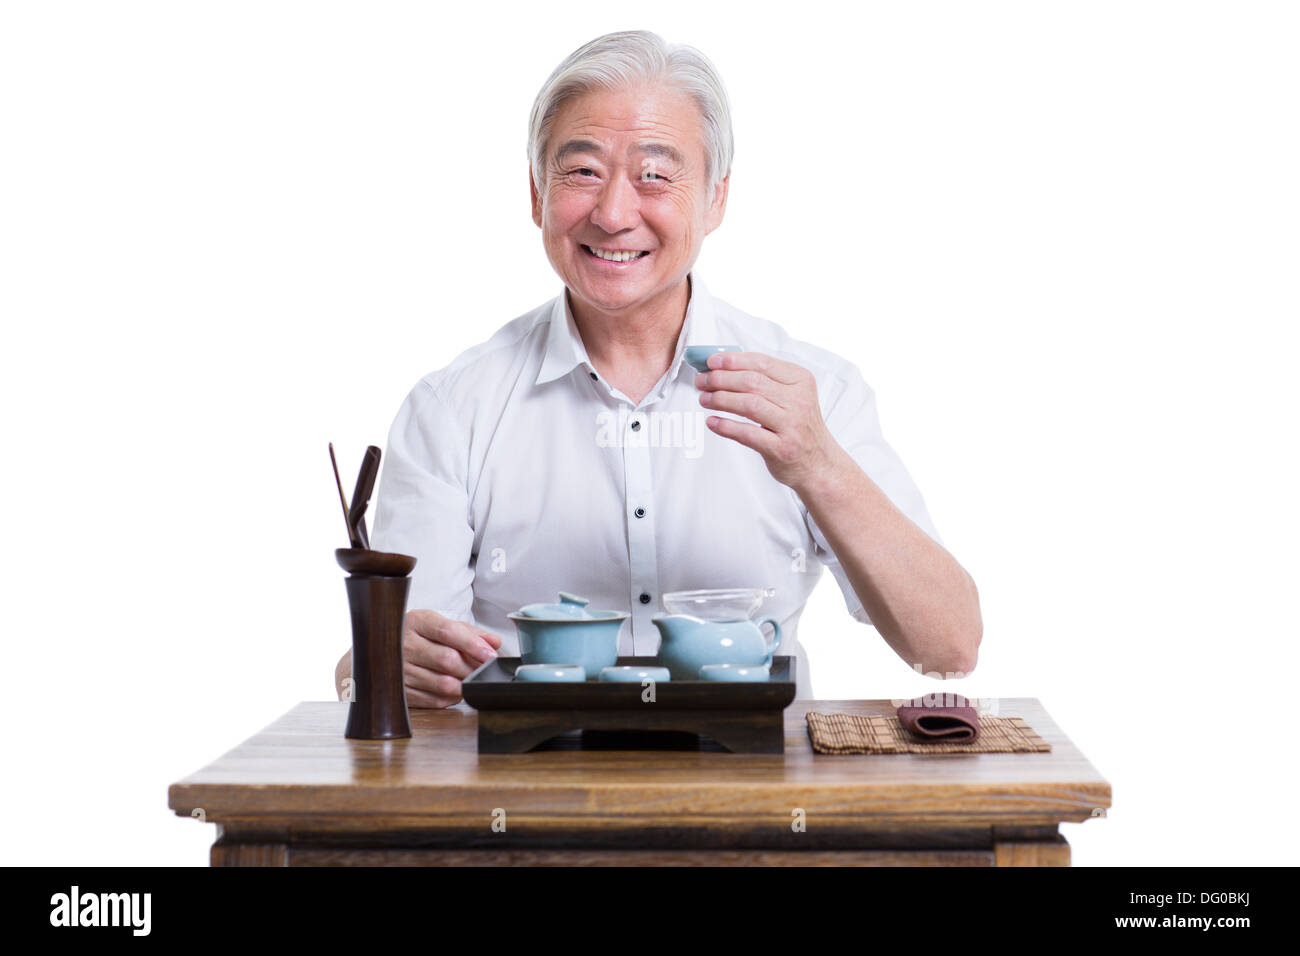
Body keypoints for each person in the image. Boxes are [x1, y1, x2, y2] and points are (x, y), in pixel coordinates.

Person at [334, 29, 981, 706]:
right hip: (520, 798)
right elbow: (402, 671)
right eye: (583, 171)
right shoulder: (452, 409)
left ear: (716, 199)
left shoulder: (816, 393)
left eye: (655, 175)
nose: (614, 214)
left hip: (759, 800)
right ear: (535, 194)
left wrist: (818, 464)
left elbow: (949, 647)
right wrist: (375, 663)